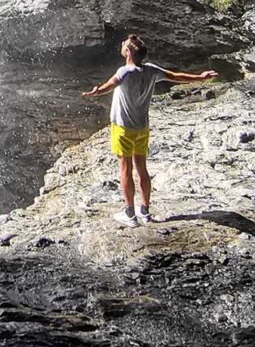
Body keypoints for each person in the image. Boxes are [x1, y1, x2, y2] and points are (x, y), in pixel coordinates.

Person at [81, 34, 217, 227]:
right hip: (142, 127)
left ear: (128, 52)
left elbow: (110, 85)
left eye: (124, 45)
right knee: (142, 168)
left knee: (125, 169)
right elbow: (175, 77)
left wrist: (97, 92)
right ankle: (144, 211)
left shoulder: (125, 71)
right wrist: (200, 78)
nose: (121, 45)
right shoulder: (152, 70)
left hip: (123, 128)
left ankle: (130, 214)